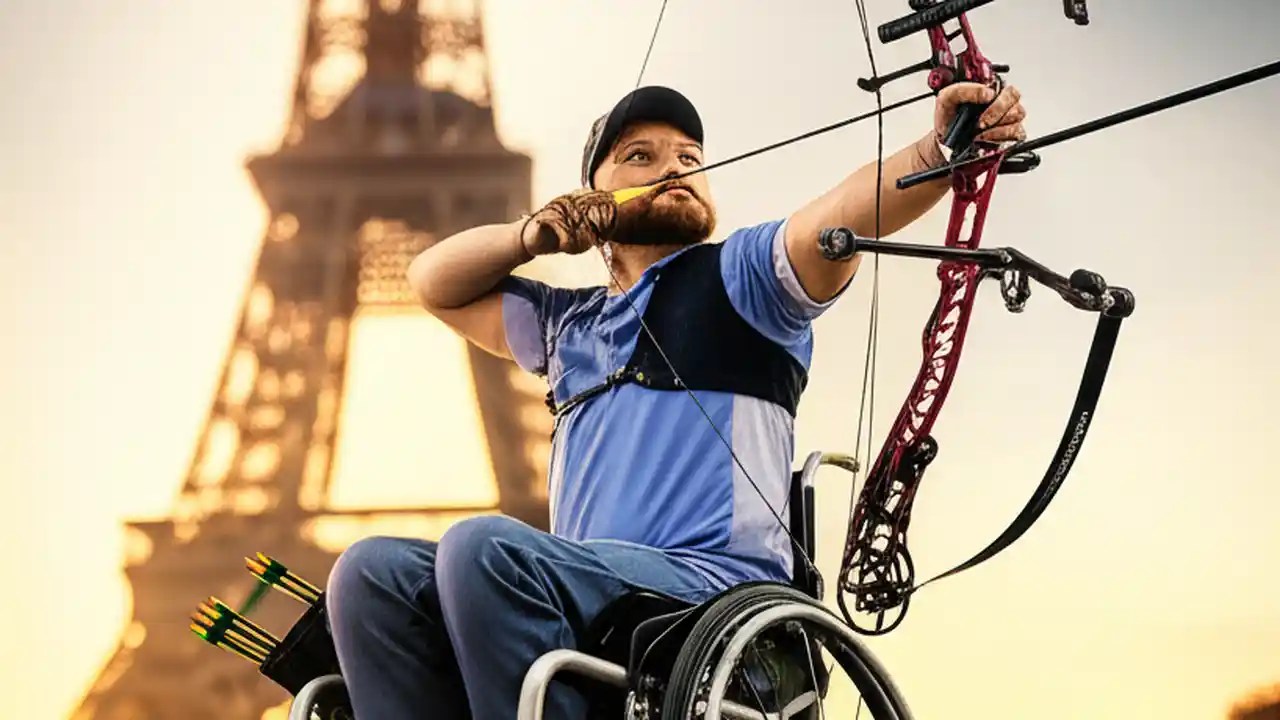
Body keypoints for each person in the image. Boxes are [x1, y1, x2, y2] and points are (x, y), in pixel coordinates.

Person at [324, 82, 1028, 719]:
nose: (675, 167)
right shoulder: (565, 324)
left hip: (708, 592)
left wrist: (943, 146)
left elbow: (838, 217)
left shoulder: (747, 281)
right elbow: (433, 282)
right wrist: (530, 235)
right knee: (370, 573)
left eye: (690, 155)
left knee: (482, 547)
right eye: (641, 156)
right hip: (584, 590)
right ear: (592, 197)